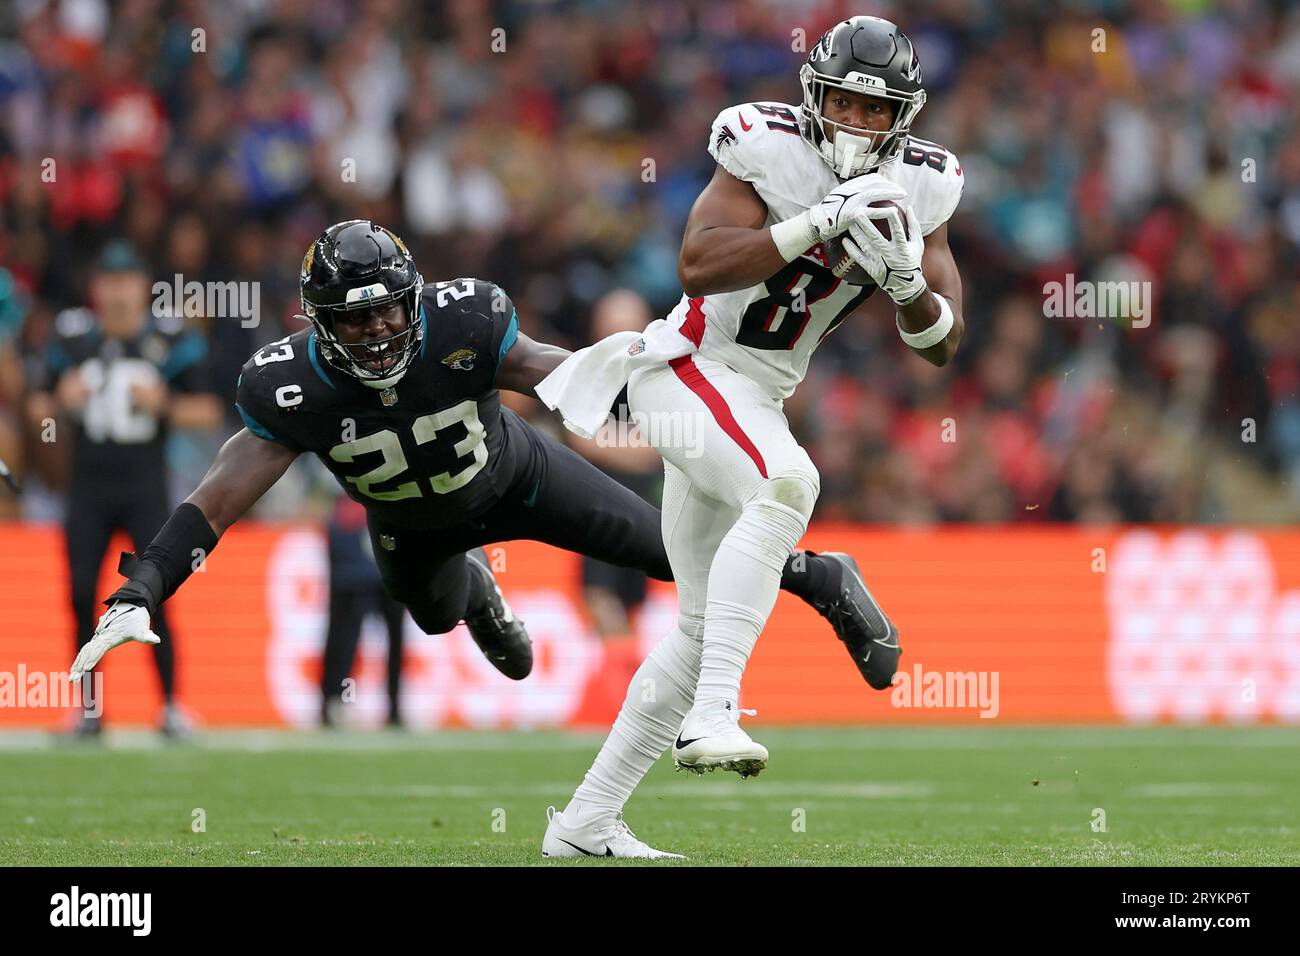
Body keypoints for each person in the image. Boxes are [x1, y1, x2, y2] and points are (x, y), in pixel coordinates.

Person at [69, 221, 890, 734]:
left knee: (673, 556)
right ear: (320, 322)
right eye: (355, 317)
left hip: (519, 476)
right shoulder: (290, 386)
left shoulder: (465, 320)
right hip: (411, 529)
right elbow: (214, 503)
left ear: (415, 296)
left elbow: (556, 376)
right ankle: (479, 592)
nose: (380, 327)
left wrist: (657, 397)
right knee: (432, 618)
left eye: (389, 307)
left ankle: (818, 577)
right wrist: (143, 585)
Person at [538, 15, 961, 858]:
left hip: (754, 395)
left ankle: (583, 825)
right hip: (681, 368)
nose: (859, 124)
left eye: (878, 113)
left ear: (904, 119)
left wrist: (908, 282)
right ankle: (716, 715)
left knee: (699, 629)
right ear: (815, 99)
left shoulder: (926, 184)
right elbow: (696, 264)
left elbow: (942, 344)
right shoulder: (761, 142)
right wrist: (817, 224)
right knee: (788, 483)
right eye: (845, 102)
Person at [32, 241, 222, 737]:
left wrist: (163, 405)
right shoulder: (74, 339)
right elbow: (35, 407)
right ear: (96, 287)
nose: (118, 292)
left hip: (144, 488)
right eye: (109, 281)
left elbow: (209, 409)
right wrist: (58, 399)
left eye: (127, 281)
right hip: (87, 489)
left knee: (154, 594)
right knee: (78, 594)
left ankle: (170, 706)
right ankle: (89, 711)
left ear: (143, 286)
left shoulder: (168, 338)